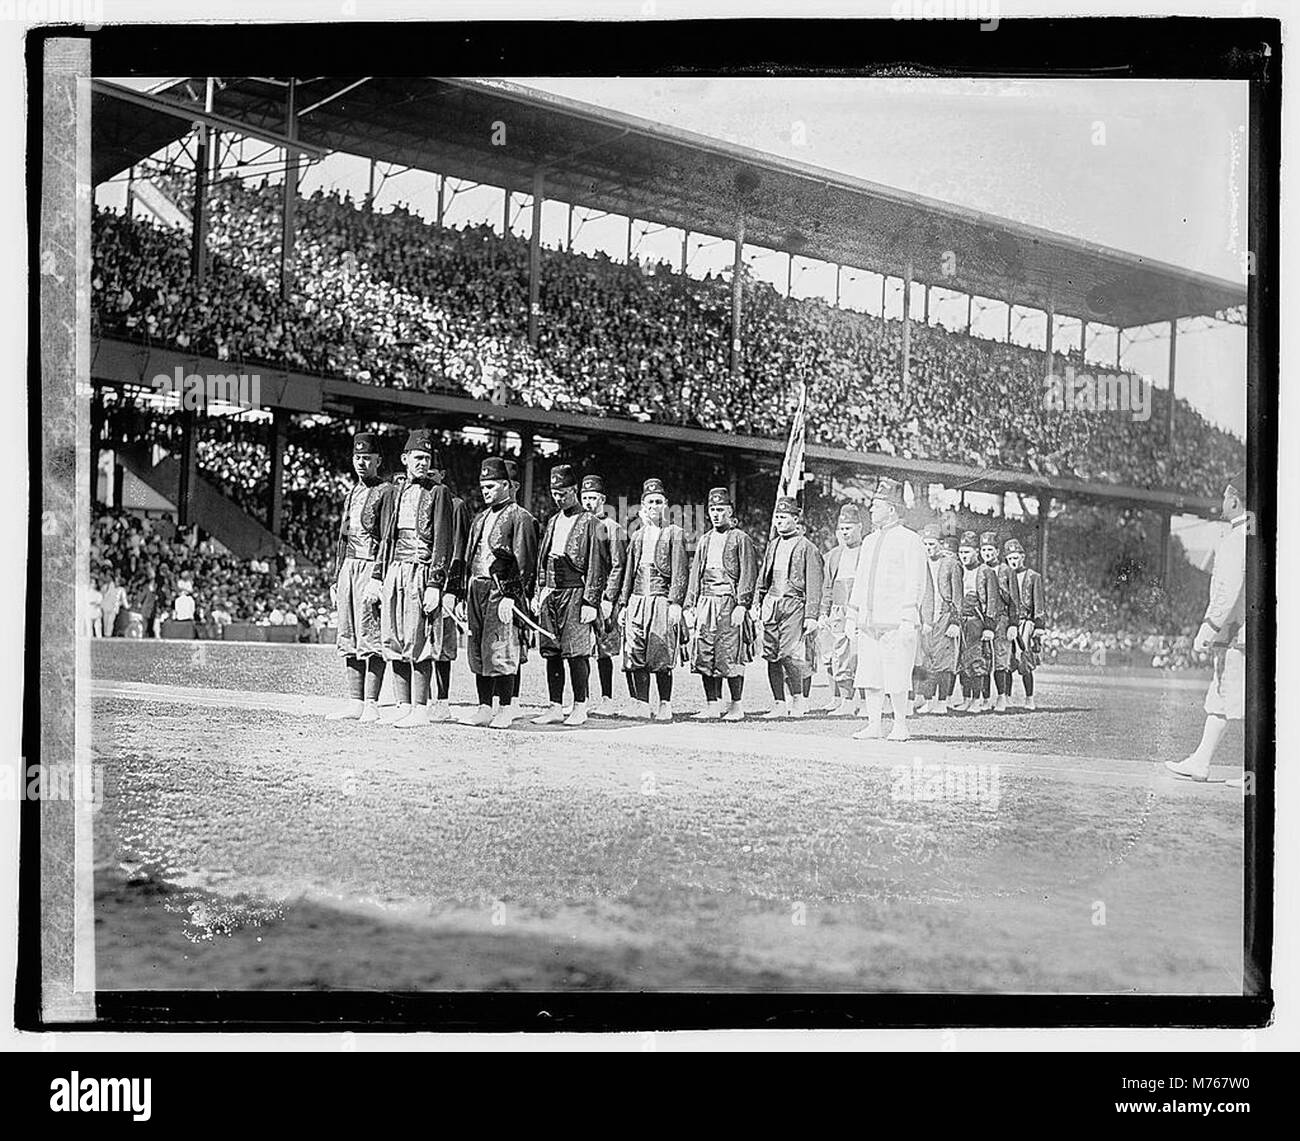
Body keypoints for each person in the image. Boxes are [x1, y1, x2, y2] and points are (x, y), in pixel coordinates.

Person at [1165, 471, 1248, 784]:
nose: (1222, 502)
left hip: (1237, 635)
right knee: (1221, 698)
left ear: (1235, 500)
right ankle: (1201, 761)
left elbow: (1227, 593)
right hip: (1241, 635)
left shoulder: (1235, 540)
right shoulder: (1252, 537)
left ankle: (1259, 772)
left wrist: (1207, 630)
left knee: (1241, 701)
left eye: (1226, 496)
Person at [375, 427, 455, 728]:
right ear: (405, 459)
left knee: (419, 640)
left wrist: (435, 583)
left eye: (427, 457)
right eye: (418, 457)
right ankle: (403, 704)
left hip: (421, 570)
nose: (423, 462)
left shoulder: (438, 492)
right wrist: (379, 576)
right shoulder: (396, 492)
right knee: (394, 636)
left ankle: (420, 709)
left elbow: (443, 541)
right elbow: (387, 538)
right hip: (396, 568)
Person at [846, 478, 927, 742]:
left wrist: (908, 617)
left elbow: (916, 581)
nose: (870, 510)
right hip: (869, 619)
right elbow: (860, 580)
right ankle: (874, 725)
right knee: (870, 674)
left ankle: (900, 725)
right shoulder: (869, 541)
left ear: (891, 508)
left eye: (875, 506)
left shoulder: (909, 540)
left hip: (895, 620)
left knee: (897, 673)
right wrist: (852, 614)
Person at [461, 456, 539, 729]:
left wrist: (513, 595)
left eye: (492, 486)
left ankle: (505, 707)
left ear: (507, 485)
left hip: (502, 590)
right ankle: (484, 707)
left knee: (501, 649)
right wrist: (461, 593)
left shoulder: (520, 517)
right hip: (477, 587)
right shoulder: (480, 517)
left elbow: (526, 561)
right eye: (483, 486)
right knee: (478, 649)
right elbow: (469, 555)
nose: (486, 491)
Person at [531, 464, 609, 727]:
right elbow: (543, 560)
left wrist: (591, 601)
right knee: (550, 651)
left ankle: (580, 706)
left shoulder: (591, 523)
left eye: (563, 492)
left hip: (576, 592)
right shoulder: (553, 521)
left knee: (576, 653)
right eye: (554, 493)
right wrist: (538, 591)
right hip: (551, 591)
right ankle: (554, 706)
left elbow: (597, 564)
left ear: (574, 490)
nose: (558, 497)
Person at [326, 431, 393, 723]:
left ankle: (371, 703)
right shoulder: (352, 492)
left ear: (378, 460)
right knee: (348, 634)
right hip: (349, 567)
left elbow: (387, 538)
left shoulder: (387, 491)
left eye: (367, 458)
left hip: (370, 565)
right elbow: (342, 538)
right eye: (357, 458)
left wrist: (378, 577)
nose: (361, 463)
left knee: (371, 635)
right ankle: (354, 701)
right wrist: (335, 576)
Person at [618, 477, 689, 721]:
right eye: (650, 502)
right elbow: (629, 572)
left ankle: (665, 704)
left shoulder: (674, 533)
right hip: (638, 598)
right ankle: (642, 703)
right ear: (642, 506)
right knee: (635, 651)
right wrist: (624, 604)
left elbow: (680, 570)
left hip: (660, 600)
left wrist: (676, 603)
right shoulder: (637, 536)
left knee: (660, 652)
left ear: (666, 505)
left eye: (659, 502)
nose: (654, 506)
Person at [684, 486, 758, 722]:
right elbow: (696, 572)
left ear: (730, 511)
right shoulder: (705, 539)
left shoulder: (740, 538)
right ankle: (712, 704)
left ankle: (736, 705)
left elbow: (748, 572)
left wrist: (742, 604)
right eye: (713, 510)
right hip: (706, 601)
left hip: (729, 602)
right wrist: (691, 605)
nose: (716, 514)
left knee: (730, 654)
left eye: (721, 509)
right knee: (706, 652)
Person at [755, 496, 825, 718]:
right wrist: (757, 601)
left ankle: (798, 700)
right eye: (777, 517)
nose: (779, 521)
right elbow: (763, 576)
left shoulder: (808, 548)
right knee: (771, 655)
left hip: (795, 605)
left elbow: (815, 584)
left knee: (789, 654)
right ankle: (778, 703)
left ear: (796, 519)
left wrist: (811, 615)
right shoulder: (773, 545)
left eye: (784, 517)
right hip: (772, 604)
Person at [581, 473, 626, 716]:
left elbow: (618, 565)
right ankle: (583, 699)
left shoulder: (613, 528)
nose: (588, 502)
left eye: (593, 498)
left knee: (603, 650)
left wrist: (609, 598)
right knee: (581, 649)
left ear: (602, 499)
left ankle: (607, 699)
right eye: (584, 497)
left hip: (603, 599)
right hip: (581, 596)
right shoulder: (579, 526)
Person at [820, 503, 866, 715]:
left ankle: (865, 703)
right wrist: (824, 612)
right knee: (840, 656)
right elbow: (828, 586)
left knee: (864, 656)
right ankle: (846, 701)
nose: (846, 532)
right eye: (843, 529)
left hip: (861, 611)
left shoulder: (867, 551)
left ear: (860, 527)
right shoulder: (834, 555)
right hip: (839, 611)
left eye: (850, 527)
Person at [914, 523, 963, 715]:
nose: (928, 548)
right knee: (926, 661)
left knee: (943, 661)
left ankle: (942, 701)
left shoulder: (951, 564)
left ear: (941, 544)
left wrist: (955, 622)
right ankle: (928, 699)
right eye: (925, 544)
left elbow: (958, 596)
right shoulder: (920, 564)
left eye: (932, 544)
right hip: (926, 618)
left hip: (945, 616)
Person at [954, 530, 997, 712]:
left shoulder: (985, 571)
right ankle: (966, 698)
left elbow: (992, 600)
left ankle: (977, 700)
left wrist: (989, 626)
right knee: (963, 661)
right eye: (962, 552)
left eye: (968, 552)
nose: (964, 556)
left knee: (977, 660)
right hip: (962, 620)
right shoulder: (958, 569)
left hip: (977, 620)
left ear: (976, 552)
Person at [1004, 538, 1047, 710]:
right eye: (1010, 558)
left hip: (1026, 621)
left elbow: (1038, 602)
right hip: (1009, 621)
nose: (1013, 561)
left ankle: (1029, 698)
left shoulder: (1032, 576)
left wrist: (1039, 626)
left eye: (1016, 557)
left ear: (1023, 557)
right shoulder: (1004, 574)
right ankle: (1005, 697)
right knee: (1006, 659)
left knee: (1024, 659)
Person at [980, 530, 1017, 712]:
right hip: (984, 618)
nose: (987, 553)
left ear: (997, 551)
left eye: (990, 550)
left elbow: (1014, 600)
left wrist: (1013, 624)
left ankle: (1002, 697)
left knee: (1001, 659)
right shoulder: (980, 570)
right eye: (984, 550)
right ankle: (985, 699)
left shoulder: (1006, 570)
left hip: (1001, 618)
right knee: (985, 659)